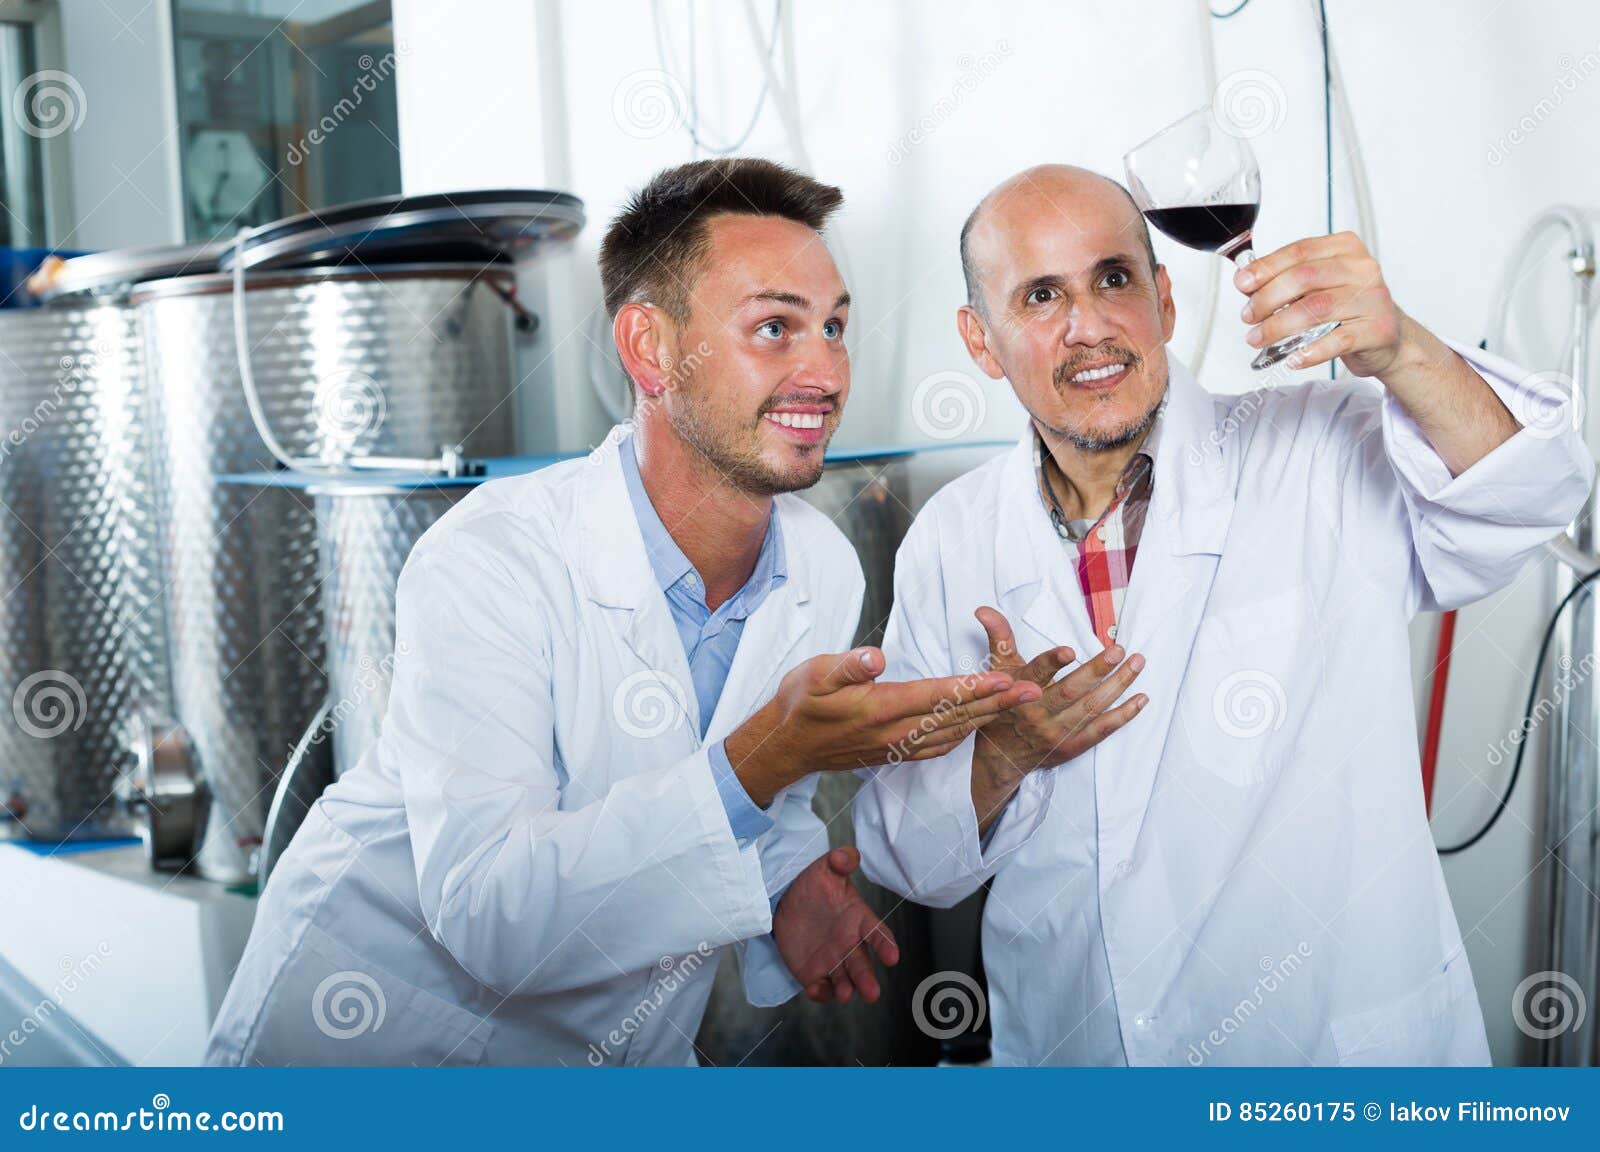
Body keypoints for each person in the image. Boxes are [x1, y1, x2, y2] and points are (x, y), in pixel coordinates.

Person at [205, 158, 1036, 1067]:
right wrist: (768, 756)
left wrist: (787, 881)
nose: (825, 369)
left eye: (834, 326)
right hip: (376, 1042)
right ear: (650, 350)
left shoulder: (821, 567)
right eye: (774, 327)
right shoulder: (493, 559)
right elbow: (490, 911)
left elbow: (752, 804)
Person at [851, 164, 1593, 1066]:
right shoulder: (951, 539)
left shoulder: (1321, 442)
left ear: (1163, 299)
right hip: (1076, 1051)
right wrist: (1006, 754)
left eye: (1114, 278)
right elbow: (907, 857)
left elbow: (1533, 494)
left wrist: (1401, 349)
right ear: (981, 338)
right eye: (1041, 295)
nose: (1090, 326)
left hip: (1329, 1059)